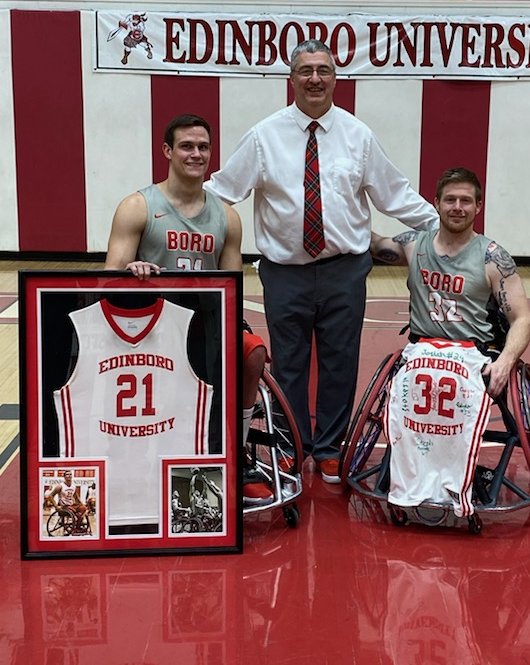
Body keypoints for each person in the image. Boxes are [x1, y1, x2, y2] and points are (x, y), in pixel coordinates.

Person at [206, 40, 436, 479]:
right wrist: (170, 219)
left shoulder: (358, 136)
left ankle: (330, 447)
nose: (315, 78)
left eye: (323, 70)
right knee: (289, 365)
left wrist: (445, 229)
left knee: (339, 362)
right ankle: (291, 446)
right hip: (284, 272)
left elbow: (396, 195)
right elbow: (220, 193)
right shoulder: (262, 136)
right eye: (305, 70)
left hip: (344, 270)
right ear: (291, 79)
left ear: (335, 78)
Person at [105, 113, 271, 499]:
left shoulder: (227, 216)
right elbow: (110, 276)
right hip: (148, 328)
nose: (196, 154)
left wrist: (233, 328)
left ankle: (238, 451)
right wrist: (133, 269)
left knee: (253, 353)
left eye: (203, 147)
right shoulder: (138, 206)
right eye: (186, 146)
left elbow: (232, 288)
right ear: (167, 151)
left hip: (203, 326)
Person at [370, 168, 530, 516]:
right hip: (422, 348)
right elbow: (371, 243)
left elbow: (523, 318)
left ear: (478, 206)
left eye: (465, 201)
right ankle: (411, 477)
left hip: (473, 353)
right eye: (450, 200)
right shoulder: (414, 245)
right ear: (437, 204)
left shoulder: (493, 258)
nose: (457, 207)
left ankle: (457, 478)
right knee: (409, 394)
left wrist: (505, 361)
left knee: (452, 397)